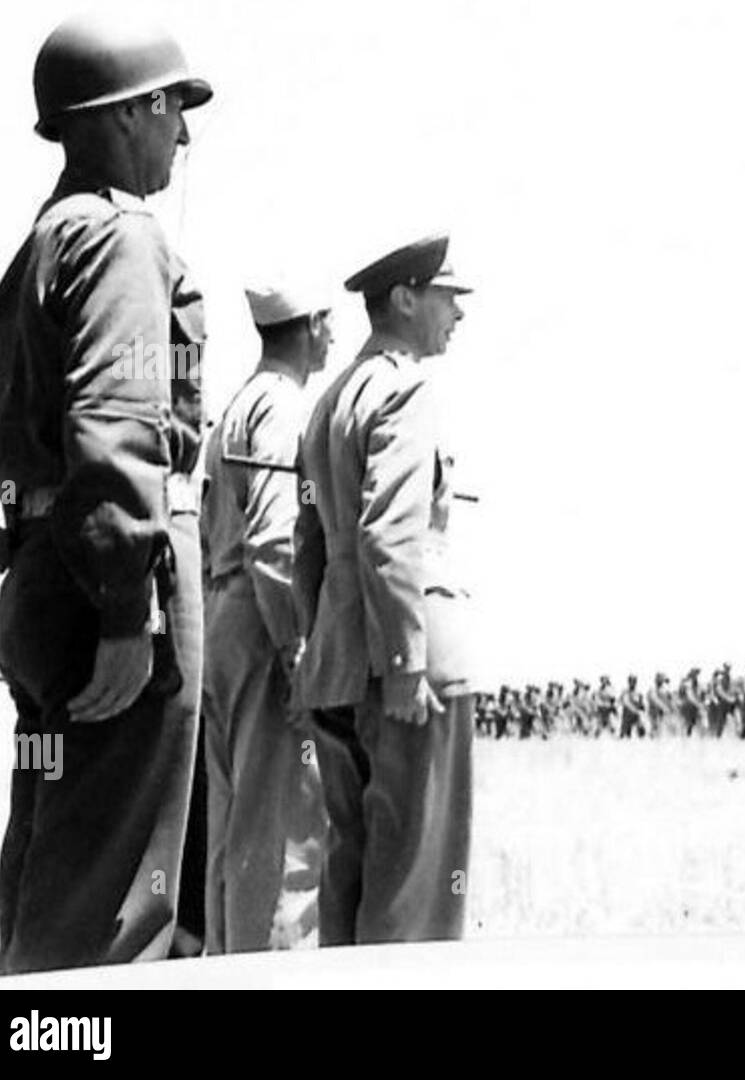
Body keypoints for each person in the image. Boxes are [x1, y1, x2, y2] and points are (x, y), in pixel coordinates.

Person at [0, 13, 211, 974]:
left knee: (49, 834)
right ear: (128, 114)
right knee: (115, 894)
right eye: (173, 109)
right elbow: (117, 428)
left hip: (41, 592)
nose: (184, 135)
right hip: (105, 609)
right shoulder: (118, 239)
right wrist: (130, 610)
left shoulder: (39, 244)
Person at [294, 235, 475, 944]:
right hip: (408, 662)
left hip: (340, 663)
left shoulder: (332, 398)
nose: (456, 314)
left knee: (352, 876)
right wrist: (402, 665)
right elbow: (390, 531)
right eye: (446, 297)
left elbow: (307, 543)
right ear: (404, 298)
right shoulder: (406, 387)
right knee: (414, 890)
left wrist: (317, 648)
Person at [200, 283, 333, 952]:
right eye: (327, 321)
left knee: (233, 836)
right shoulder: (282, 406)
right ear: (308, 327)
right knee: (283, 839)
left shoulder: (234, 406)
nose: (333, 335)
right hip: (264, 621)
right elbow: (275, 541)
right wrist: (298, 646)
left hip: (224, 618)